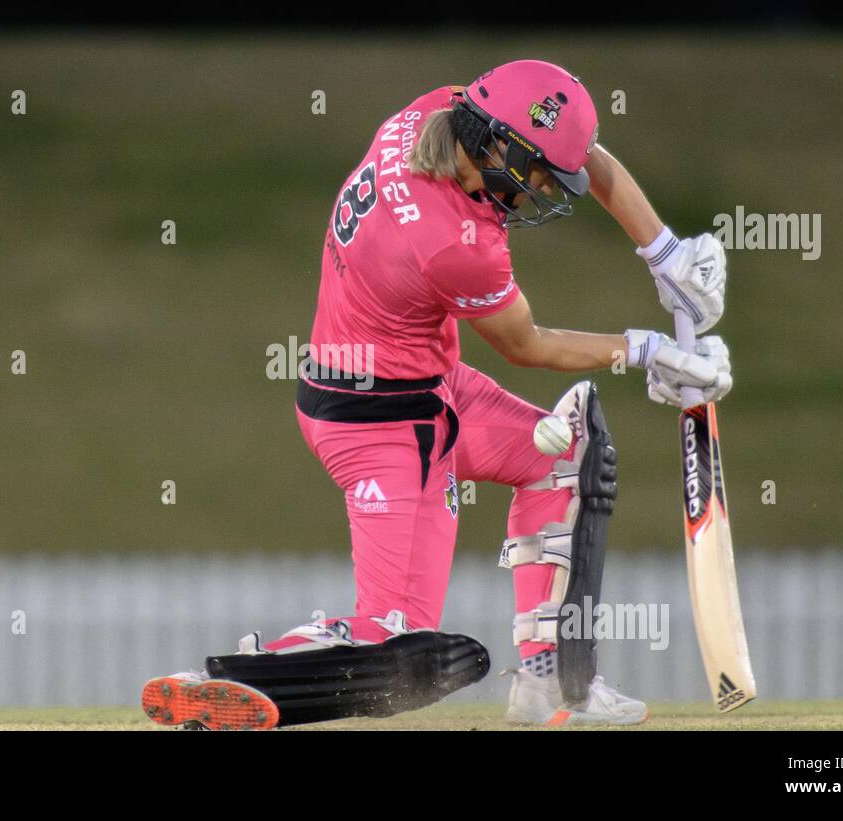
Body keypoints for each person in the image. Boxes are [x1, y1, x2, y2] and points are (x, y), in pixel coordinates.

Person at [142, 59, 730, 730]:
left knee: (565, 456)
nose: (543, 187)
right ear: (497, 149)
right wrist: (646, 349)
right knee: (396, 654)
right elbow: (525, 344)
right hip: (379, 422)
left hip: (422, 384)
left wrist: (663, 251)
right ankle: (224, 680)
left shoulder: (442, 112)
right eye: (537, 173)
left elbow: (583, 153)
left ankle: (555, 685)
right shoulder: (454, 240)